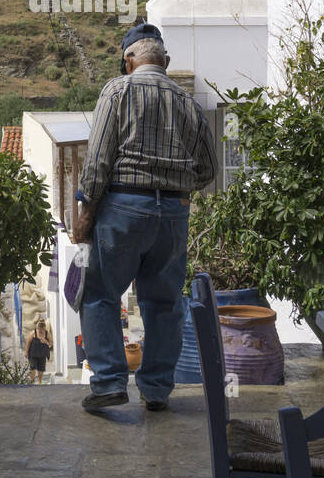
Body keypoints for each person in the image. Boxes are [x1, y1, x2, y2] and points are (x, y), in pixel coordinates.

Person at [72, 23, 217, 413]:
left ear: (128, 61)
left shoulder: (118, 90)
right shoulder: (188, 103)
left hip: (123, 207)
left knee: (100, 294)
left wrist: (86, 211)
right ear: (165, 62)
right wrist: (177, 192)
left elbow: (99, 158)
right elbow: (208, 170)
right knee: (164, 302)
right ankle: (155, 391)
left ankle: (108, 383)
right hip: (173, 214)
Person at [25, 319, 53, 384]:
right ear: (37, 328)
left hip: (42, 354)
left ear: (44, 328)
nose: (40, 331)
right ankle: (32, 382)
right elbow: (28, 343)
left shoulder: (47, 333)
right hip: (33, 354)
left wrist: (46, 342)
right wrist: (26, 352)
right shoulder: (33, 333)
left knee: (41, 369)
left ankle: (39, 382)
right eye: (39, 329)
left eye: (41, 330)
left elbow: (51, 343)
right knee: (32, 368)